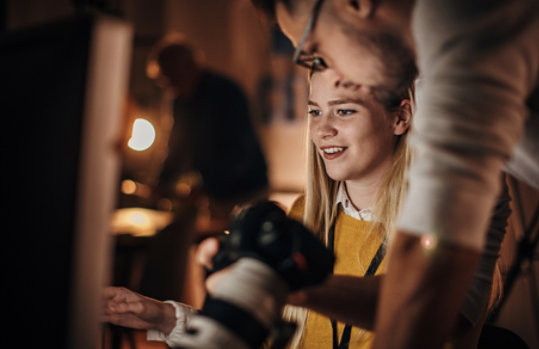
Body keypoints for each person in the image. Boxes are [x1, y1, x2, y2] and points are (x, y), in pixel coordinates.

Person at [249, 0, 538, 348]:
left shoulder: (458, 21)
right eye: (315, 111)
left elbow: (423, 298)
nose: (334, 73)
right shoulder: (438, 75)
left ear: (353, 5)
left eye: (316, 52)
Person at [103, 67, 414, 348]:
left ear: (400, 117)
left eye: (344, 111)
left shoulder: (438, 232)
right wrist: (165, 317)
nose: (322, 130)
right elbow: (264, 339)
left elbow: (415, 311)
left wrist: (272, 281)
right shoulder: (302, 217)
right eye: (315, 112)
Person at [148, 35, 270, 223]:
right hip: (217, 193)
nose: (170, 87)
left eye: (173, 77)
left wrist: (205, 187)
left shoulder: (226, 93)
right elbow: (177, 146)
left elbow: (238, 152)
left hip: (246, 190)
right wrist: (162, 182)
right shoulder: (180, 100)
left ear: (190, 67)